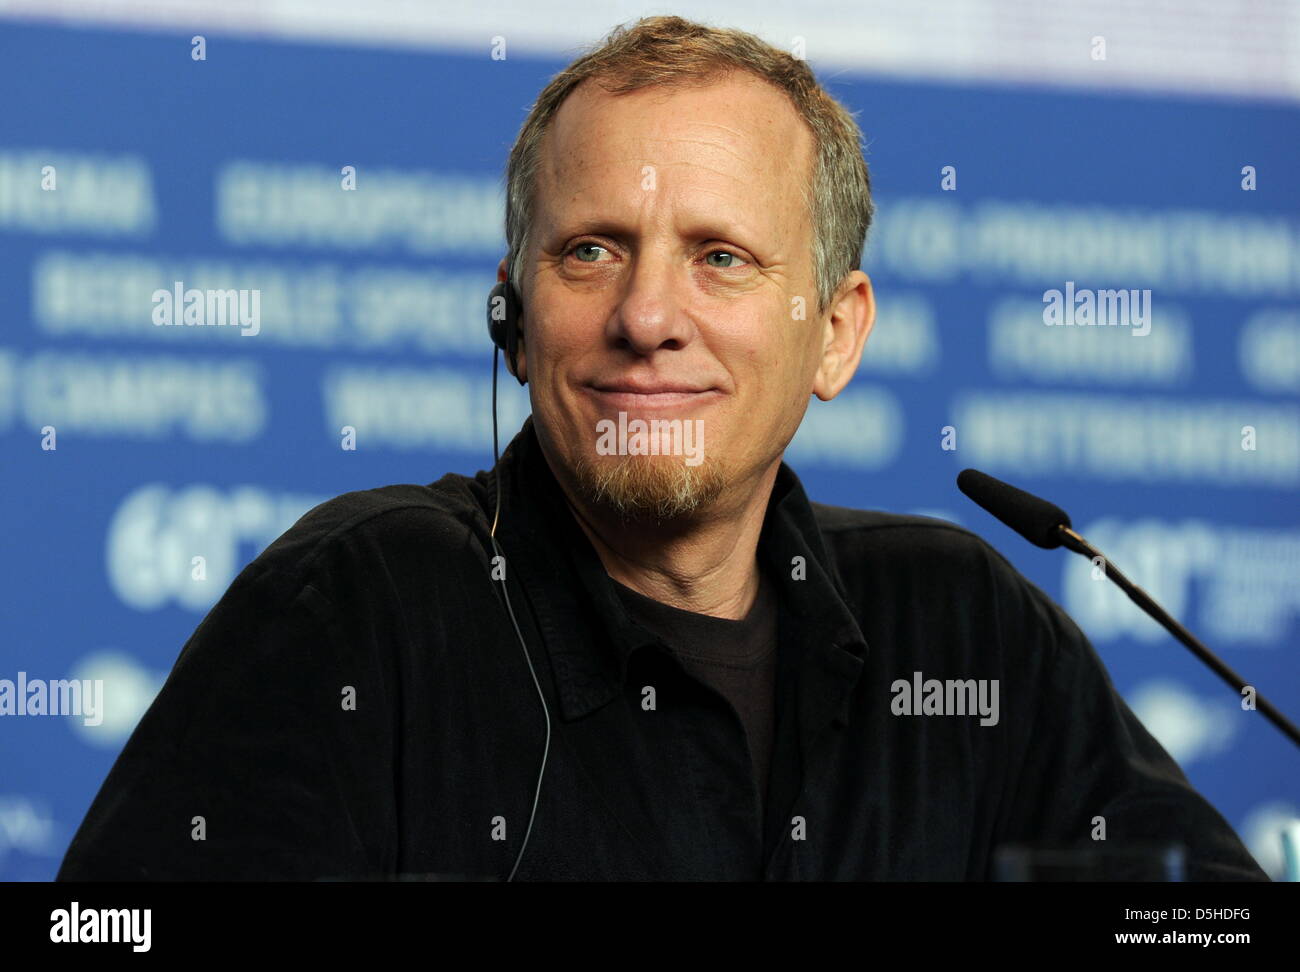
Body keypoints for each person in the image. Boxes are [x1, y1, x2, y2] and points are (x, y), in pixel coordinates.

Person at [57, 15, 1265, 881]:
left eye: (720, 257)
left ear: (835, 336)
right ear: (514, 321)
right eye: (590, 250)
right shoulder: (357, 607)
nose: (646, 317)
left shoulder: (965, 627)